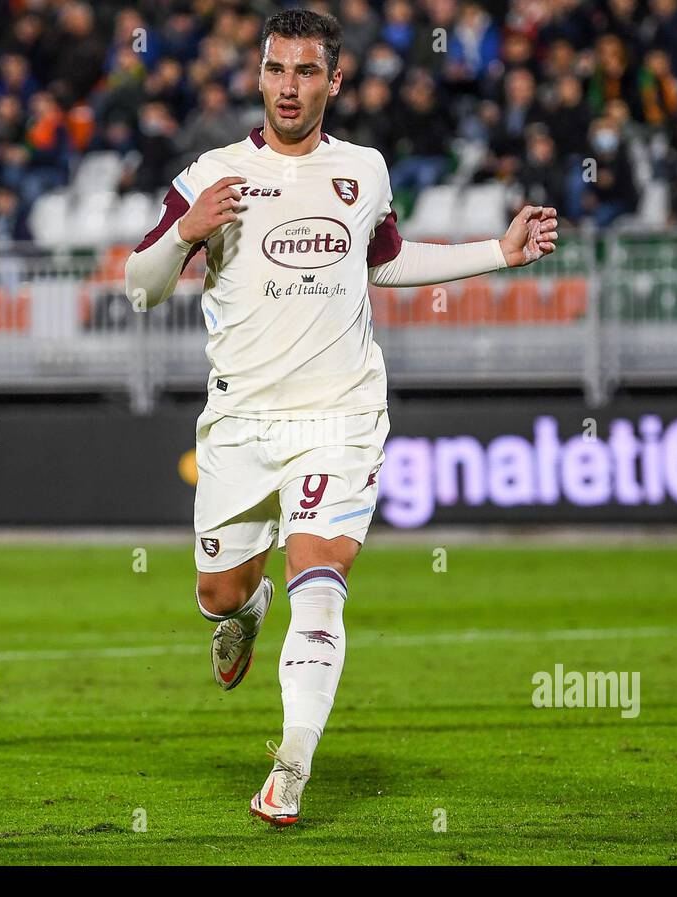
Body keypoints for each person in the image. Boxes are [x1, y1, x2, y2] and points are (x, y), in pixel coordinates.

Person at [124, 9, 558, 824]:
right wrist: (184, 230)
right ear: (258, 74)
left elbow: (387, 263)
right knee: (219, 589)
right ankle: (243, 617)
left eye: (306, 72)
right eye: (277, 70)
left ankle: (290, 766)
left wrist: (497, 253)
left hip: (341, 413)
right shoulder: (211, 174)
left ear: (334, 80)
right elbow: (137, 290)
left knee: (320, 584)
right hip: (242, 424)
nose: (289, 87)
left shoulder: (363, 169)